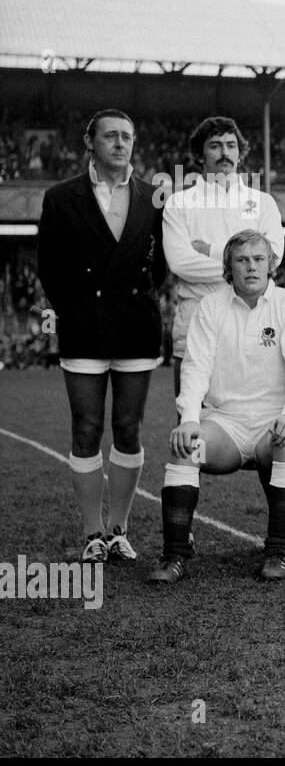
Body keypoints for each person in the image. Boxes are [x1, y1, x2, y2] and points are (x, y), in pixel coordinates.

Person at [37, 109, 166, 563]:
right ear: (89, 141)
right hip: (84, 327)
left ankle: (119, 528)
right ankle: (92, 532)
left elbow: (162, 267)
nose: (120, 142)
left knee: (128, 428)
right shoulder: (60, 197)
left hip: (136, 324)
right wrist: (75, 311)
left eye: (127, 136)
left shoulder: (154, 197)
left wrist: (137, 300)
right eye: (109, 135)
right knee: (87, 427)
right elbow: (48, 267)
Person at [148, 231, 285, 584]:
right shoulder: (211, 306)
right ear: (229, 267)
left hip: (274, 423)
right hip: (225, 424)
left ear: (271, 264)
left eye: (258, 259)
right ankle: (174, 556)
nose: (251, 267)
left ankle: (277, 553)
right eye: (242, 260)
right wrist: (190, 419)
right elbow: (195, 368)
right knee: (186, 449)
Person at [162, 116, 284, 394]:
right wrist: (249, 265)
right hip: (195, 317)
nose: (225, 152)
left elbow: (273, 257)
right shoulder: (179, 202)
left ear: (240, 153)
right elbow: (181, 262)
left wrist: (212, 250)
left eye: (231, 145)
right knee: (192, 419)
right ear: (199, 154)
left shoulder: (262, 202)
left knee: (254, 414)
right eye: (215, 145)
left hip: (252, 317)